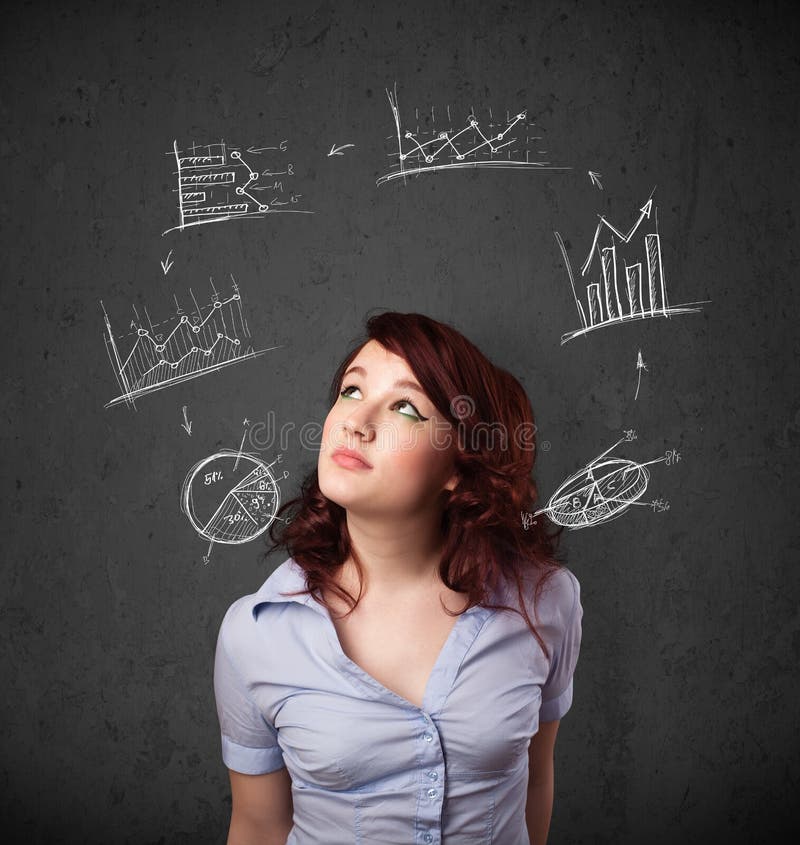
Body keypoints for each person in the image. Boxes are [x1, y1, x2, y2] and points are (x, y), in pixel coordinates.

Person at [214, 311, 583, 845]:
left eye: (405, 407)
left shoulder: (547, 602)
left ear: (459, 465)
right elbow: (257, 824)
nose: (356, 422)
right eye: (351, 390)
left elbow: (536, 775)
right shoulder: (256, 632)